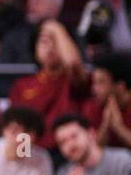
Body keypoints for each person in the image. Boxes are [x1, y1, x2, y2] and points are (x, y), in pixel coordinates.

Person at [9, 20, 89, 149]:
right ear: (34, 48)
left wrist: (55, 27)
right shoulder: (22, 85)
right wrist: (24, 157)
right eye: (44, 41)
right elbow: (18, 128)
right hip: (33, 153)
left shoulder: (73, 79)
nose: (50, 47)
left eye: (56, 41)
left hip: (68, 152)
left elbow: (73, 64)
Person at [0, 0, 69, 64]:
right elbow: (3, 72)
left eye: (38, 0)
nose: (31, 5)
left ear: (55, 7)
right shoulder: (13, 37)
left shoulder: (70, 37)